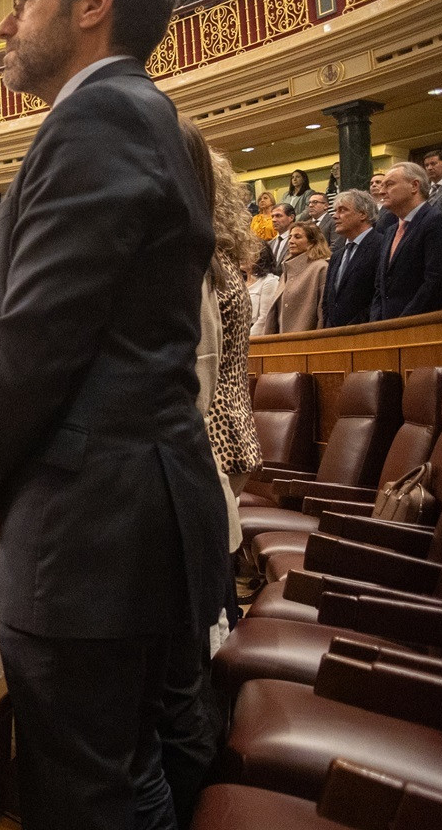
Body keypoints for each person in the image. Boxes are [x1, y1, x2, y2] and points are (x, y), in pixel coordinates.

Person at [0, 0, 229, 830]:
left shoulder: (99, 117)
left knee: (88, 795)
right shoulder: (145, 115)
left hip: (91, 531)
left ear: (93, 4)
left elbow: (34, 343)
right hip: (136, 514)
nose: (4, 23)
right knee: (143, 768)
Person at [186, 127, 257, 579]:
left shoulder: (200, 264)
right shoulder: (222, 260)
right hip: (235, 422)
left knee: (208, 568)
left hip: (213, 430)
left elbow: (199, 363)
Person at [371, 162, 442, 320]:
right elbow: (380, 285)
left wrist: (404, 321)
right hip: (388, 326)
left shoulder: (438, 221)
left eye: (389, 184)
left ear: (414, 186)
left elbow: (436, 281)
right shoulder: (390, 231)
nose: (382, 191)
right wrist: (377, 322)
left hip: (423, 324)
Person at [321, 189, 386, 327]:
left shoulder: (382, 245)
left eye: (342, 210)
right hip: (334, 333)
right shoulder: (337, 256)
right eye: (335, 211)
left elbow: (379, 293)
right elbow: (327, 300)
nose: (335, 216)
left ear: (363, 214)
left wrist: (356, 327)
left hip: (366, 331)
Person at [270, 223, 330, 334]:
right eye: (290, 237)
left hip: (306, 340)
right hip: (282, 339)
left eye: (297, 237)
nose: (291, 241)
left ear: (312, 242)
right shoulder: (287, 270)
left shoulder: (320, 268)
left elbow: (323, 311)